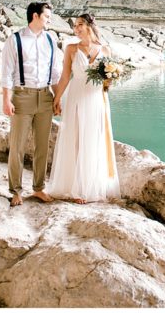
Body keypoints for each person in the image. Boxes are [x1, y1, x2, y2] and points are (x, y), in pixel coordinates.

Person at [48, 13, 121, 203]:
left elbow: (107, 83)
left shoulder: (105, 49)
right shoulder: (71, 49)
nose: (76, 29)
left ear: (89, 26)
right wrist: (57, 98)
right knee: (76, 138)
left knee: (94, 139)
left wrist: (110, 80)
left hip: (97, 99)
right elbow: (65, 77)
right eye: (74, 26)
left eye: (80, 25)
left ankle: (92, 186)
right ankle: (76, 189)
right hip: (76, 96)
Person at [0, 1, 64, 207]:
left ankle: (38, 188)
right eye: (46, 16)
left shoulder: (50, 40)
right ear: (35, 16)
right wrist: (6, 100)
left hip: (45, 96)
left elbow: (54, 72)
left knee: (42, 147)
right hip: (22, 96)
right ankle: (16, 191)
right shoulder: (15, 39)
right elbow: (7, 72)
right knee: (17, 146)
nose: (49, 20)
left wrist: (57, 99)